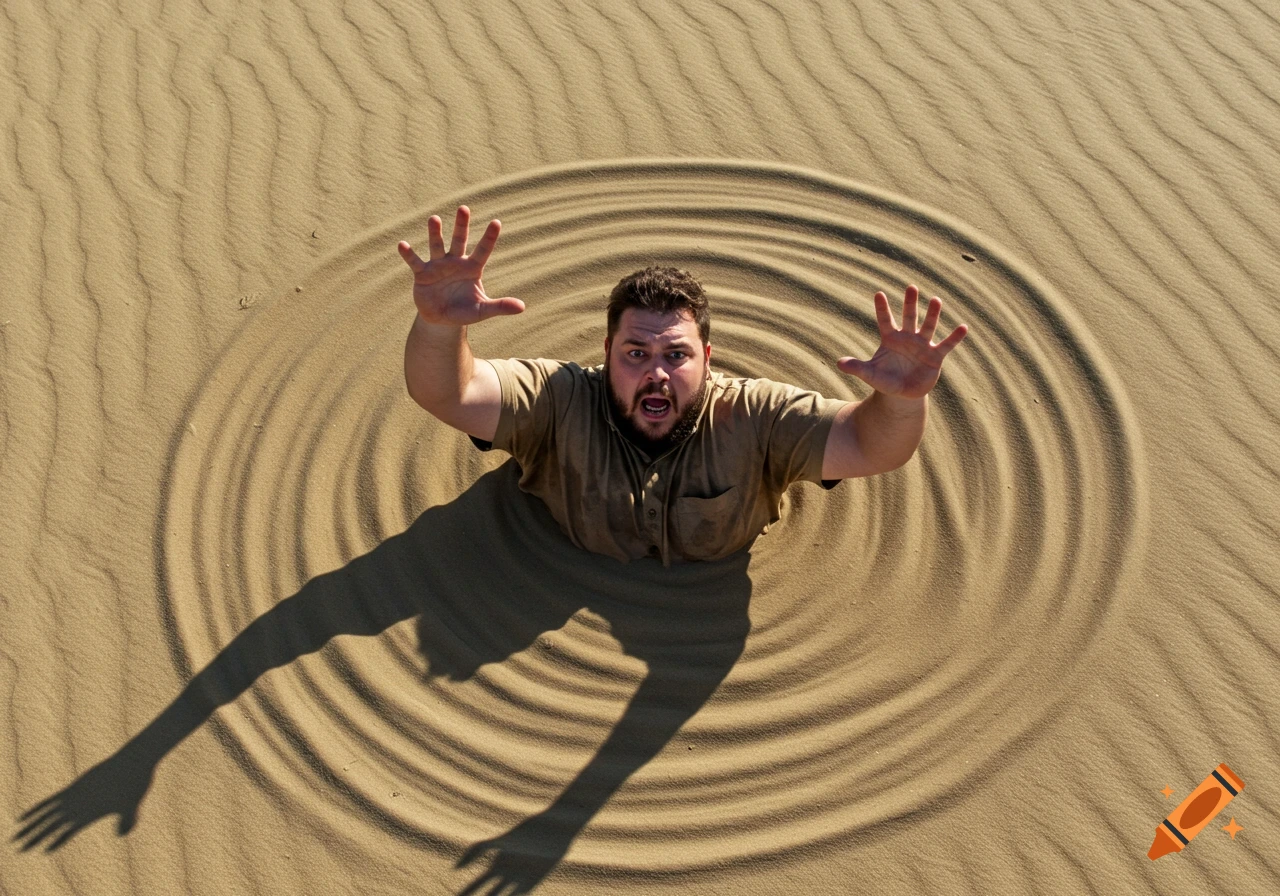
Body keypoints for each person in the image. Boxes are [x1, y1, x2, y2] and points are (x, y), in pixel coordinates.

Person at [399, 206, 967, 565]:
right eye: (636, 353)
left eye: (677, 355)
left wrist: (898, 400)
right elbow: (450, 393)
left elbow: (873, 447)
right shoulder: (559, 399)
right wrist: (438, 329)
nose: (656, 372)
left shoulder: (757, 417)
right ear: (606, 354)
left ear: (709, 360)